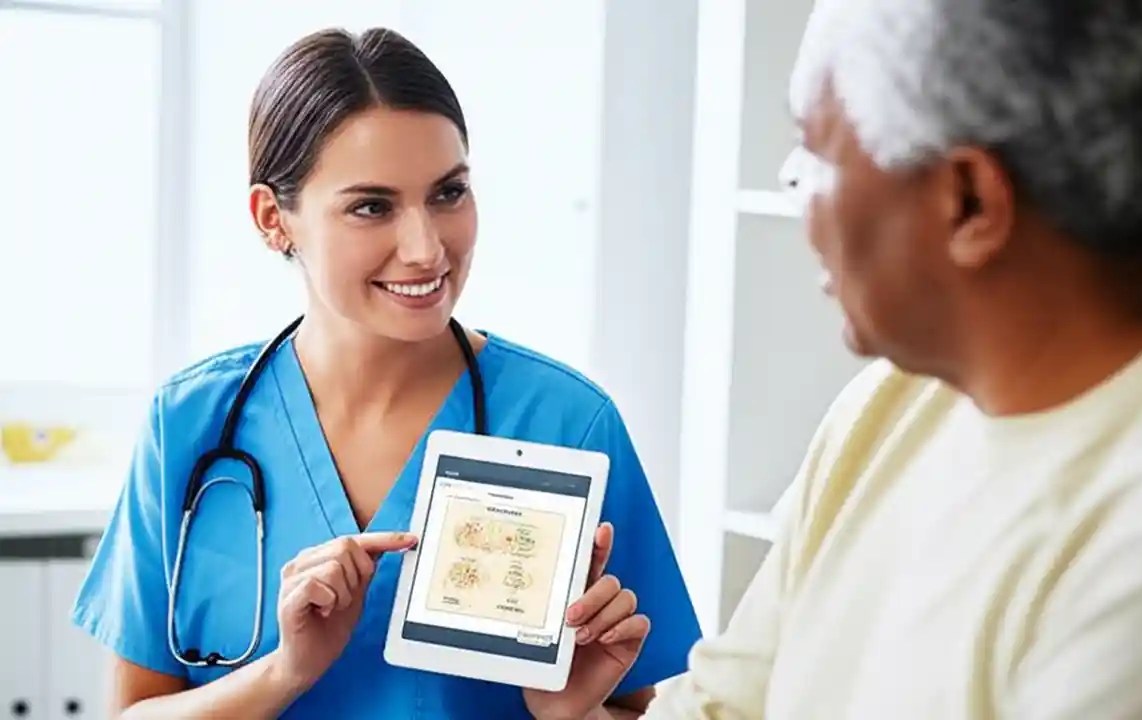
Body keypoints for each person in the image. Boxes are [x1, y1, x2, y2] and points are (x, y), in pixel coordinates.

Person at [649, 0, 1142, 718]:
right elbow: (720, 705)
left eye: (817, 150)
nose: (799, 198)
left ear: (970, 202)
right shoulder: (891, 406)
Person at [70, 27, 700, 719]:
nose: (426, 247)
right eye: (372, 206)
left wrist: (568, 716)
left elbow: (636, 704)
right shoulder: (191, 424)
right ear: (273, 218)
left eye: (448, 193)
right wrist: (285, 672)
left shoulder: (569, 425)